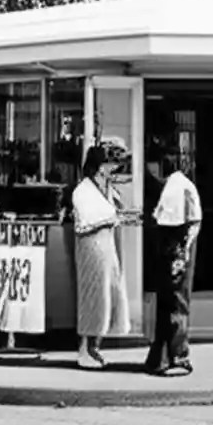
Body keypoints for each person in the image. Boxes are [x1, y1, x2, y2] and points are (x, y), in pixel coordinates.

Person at [71, 145, 131, 369]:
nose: (113, 169)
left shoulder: (107, 189)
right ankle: (86, 348)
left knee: (108, 296)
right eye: (109, 165)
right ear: (99, 166)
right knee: (93, 297)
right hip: (92, 248)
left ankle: (95, 346)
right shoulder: (83, 191)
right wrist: (110, 218)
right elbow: (84, 222)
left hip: (107, 247)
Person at [146, 146, 202, 376]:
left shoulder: (174, 188)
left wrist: (180, 252)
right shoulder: (181, 185)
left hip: (174, 249)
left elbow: (170, 222)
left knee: (172, 304)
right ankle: (173, 355)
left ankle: (168, 356)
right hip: (178, 249)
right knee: (175, 302)